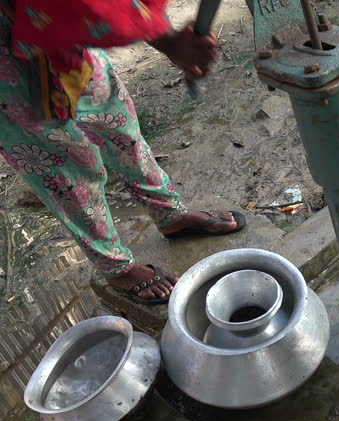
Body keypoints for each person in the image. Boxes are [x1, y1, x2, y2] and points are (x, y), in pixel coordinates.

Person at [0, 0, 245, 304]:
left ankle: (168, 213)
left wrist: (163, 34)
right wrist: (169, 41)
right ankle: (116, 267)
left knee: (118, 124)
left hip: (69, 36)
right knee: (64, 168)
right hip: (11, 52)